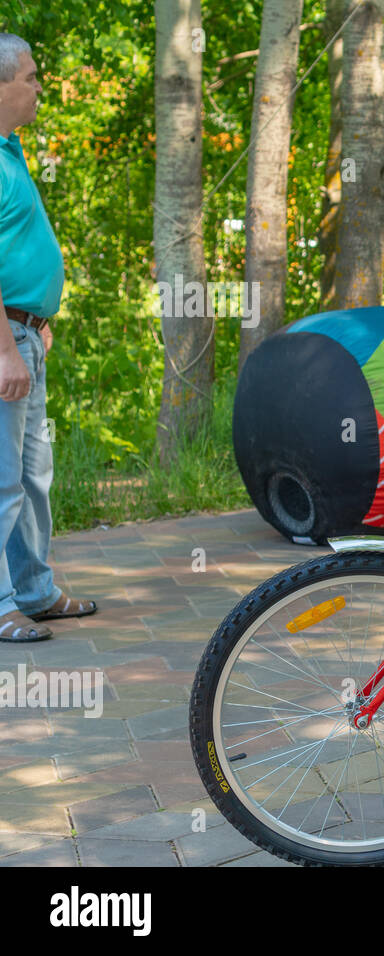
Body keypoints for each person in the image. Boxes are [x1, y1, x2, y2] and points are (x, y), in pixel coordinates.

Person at [0, 34, 96, 643]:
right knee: (4, 478)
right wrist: (5, 347)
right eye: (31, 76)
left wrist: (37, 324)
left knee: (35, 472)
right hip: (6, 341)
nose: (40, 86)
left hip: (24, 334)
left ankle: (34, 590)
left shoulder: (11, 151)